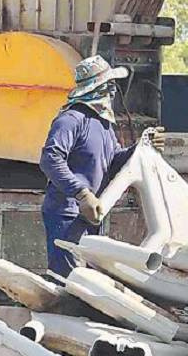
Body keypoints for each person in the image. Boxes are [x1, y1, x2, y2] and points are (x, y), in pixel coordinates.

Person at [38, 55, 131, 277]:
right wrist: (81, 194)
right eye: (110, 85)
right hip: (67, 213)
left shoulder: (103, 125)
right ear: (100, 88)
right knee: (69, 280)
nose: (113, 91)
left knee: (90, 280)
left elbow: (113, 160)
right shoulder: (72, 119)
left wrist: (141, 149)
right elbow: (50, 158)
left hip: (91, 215)